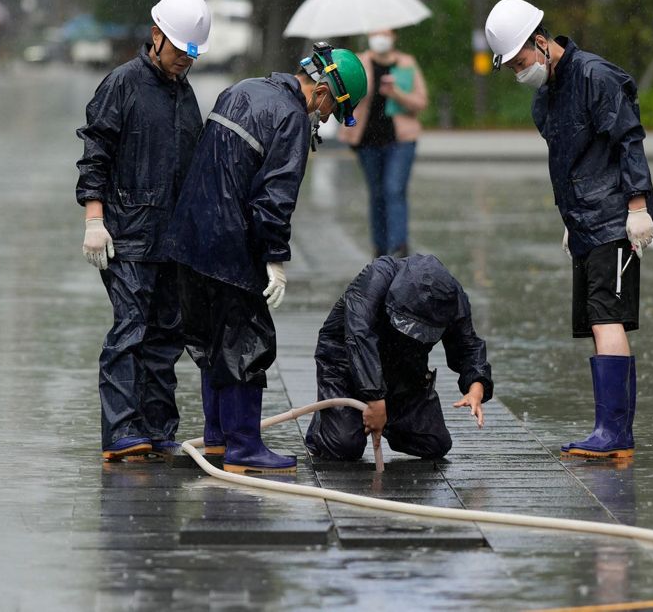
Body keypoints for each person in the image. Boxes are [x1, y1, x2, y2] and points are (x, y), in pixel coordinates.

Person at [165, 43, 368, 474]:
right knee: (246, 343)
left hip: (188, 238)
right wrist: (274, 258)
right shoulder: (291, 118)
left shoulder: (244, 88)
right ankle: (243, 447)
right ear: (323, 92)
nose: (325, 118)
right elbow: (274, 199)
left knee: (212, 342)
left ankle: (218, 438)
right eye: (331, 109)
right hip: (230, 246)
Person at [483, 0, 653, 460]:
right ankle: (610, 430)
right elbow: (568, 162)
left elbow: (628, 140)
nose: (521, 72)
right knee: (598, 321)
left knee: (607, 318)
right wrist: (569, 219)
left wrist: (637, 206)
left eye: (522, 62)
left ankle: (614, 432)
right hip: (584, 220)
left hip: (615, 218)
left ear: (541, 43)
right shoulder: (549, 95)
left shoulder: (595, 77)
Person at [76, 0, 211, 462]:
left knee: (166, 338)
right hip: (127, 238)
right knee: (129, 332)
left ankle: (157, 429)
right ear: (156, 36)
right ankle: (120, 432)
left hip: (171, 243)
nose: (183, 63)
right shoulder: (122, 85)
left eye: (191, 56)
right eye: (177, 52)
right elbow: (96, 156)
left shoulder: (185, 96)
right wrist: (95, 219)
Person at [304, 254, 492, 462]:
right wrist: (375, 398)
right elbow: (359, 336)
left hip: (403, 366)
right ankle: (329, 422)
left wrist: (476, 387)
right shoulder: (377, 276)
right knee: (344, 447)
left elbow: (468, 344)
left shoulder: (452, 299)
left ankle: (382, 418)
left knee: (434, 443)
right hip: (345, 360)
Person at [341, 29, 430, 257]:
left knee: (394, 190)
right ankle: (380, 250)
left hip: (400, 140)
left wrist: (397, 93)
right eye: (376, 33)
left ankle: (399, 247)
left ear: (394, 36)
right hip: (367, 140)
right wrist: (364, 87)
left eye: (385, 33)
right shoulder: (358, 62)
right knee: (377, 194)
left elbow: (421, 102)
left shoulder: (406, 63)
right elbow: (344, 97)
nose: (380, 37)